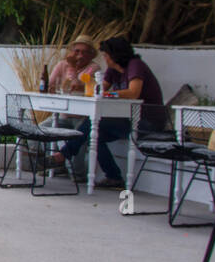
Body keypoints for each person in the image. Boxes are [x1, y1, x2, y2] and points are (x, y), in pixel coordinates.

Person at [52, 37, 165, 189]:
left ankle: (63, 155)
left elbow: (133, 93)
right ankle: (114, 178)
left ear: (115, 55)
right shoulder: (113, 70)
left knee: (93, 126)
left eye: (106, 55)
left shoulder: (135, 65)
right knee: (94, 132)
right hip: (127, 118)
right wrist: (95, 88)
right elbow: (100, 89)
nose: (104, 59)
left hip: (147, 122)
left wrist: (109, 94)